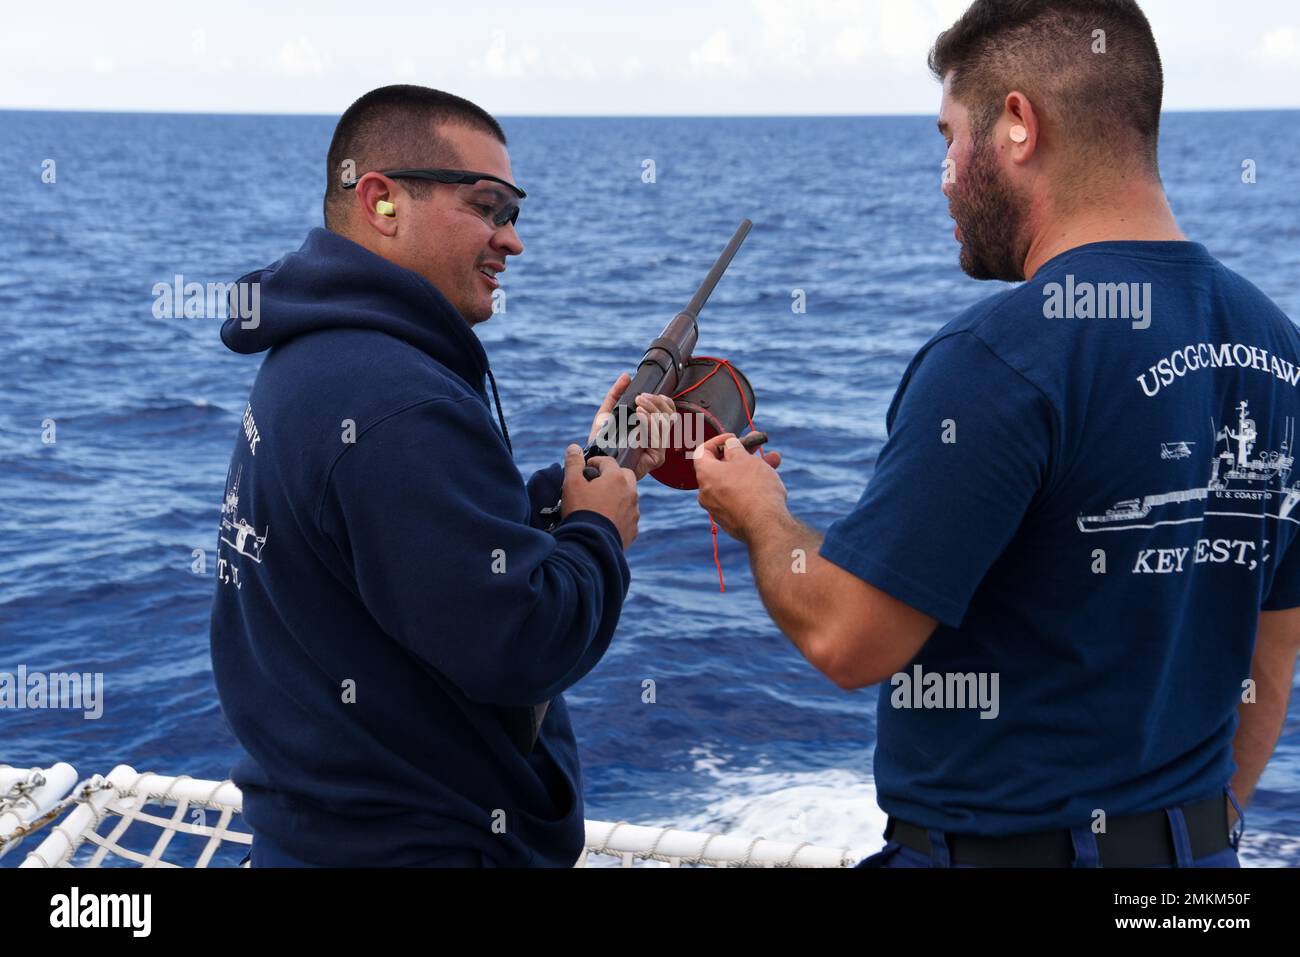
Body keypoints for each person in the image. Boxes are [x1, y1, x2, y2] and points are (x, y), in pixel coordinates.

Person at [694, 0, 1300, 867]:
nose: (944, 172)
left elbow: (847, 638)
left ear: (1017, 125)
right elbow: (1271, 662)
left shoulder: (999, 356)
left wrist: (760, 513)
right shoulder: (1279, 348)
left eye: (949, 136)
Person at [209, 85, 674, 867]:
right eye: (488, 206)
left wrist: (563, 492)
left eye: (514, 213)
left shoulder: (317, 355)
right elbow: (522, 644)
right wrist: (597, 530)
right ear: (382, 201)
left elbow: (411, 556)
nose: (512, 241)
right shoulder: (396, 401)